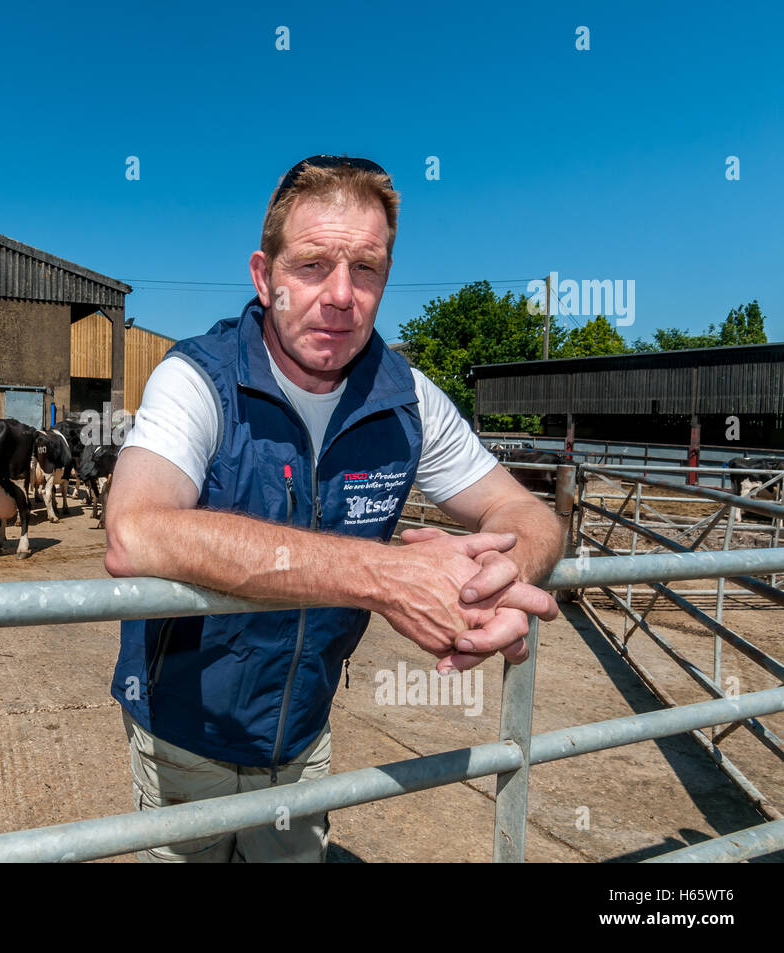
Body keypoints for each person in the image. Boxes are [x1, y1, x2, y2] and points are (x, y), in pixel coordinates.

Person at [102, 155, 566, 863]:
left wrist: (495, 582)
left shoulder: (407, 398)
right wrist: (383, 575)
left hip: (303, 740)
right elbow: (135, 533)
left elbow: (527, 514)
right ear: (265, 276)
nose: (342, 295)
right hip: (182, 740)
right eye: (313, 265)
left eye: (367, 269)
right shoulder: (197, 379)